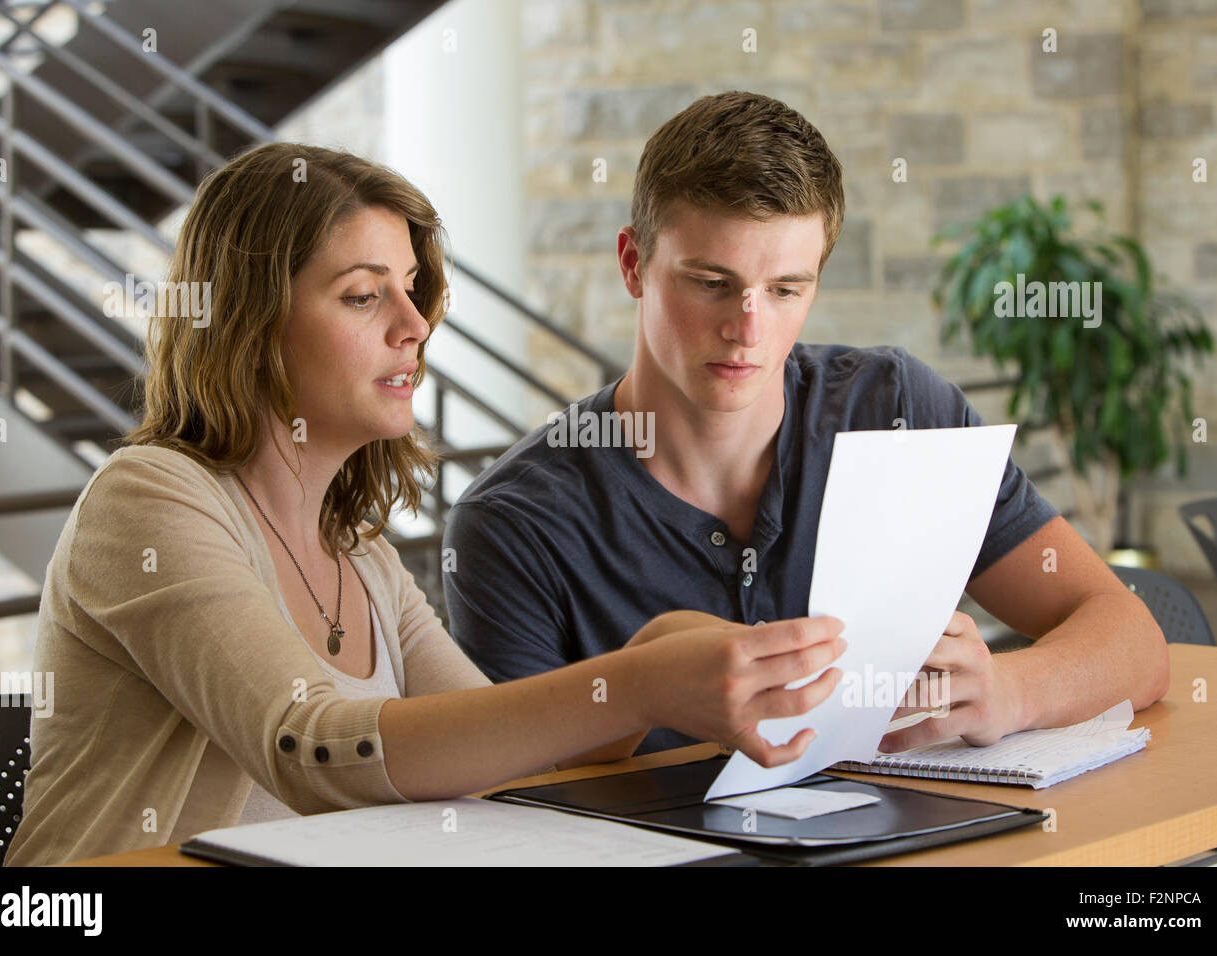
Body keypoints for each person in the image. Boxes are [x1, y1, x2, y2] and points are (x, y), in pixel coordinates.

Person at [3, 142, 848, 866]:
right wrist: (633, 686)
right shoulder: (149, 497)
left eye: (412, 289)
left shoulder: (359, 553)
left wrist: (656, 657)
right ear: (250, 324)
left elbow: (501, 769)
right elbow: (315, 749)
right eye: (365, 295)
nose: (415, 324)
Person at [442, 91, 1169, 765]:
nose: (746, 330)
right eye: (710, 283)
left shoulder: (896, 411)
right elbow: (515, 803)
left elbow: (1133, 638)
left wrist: (1011, 692)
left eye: (786, 289)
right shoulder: (511, 525)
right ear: (634, 264)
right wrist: (641, 690)